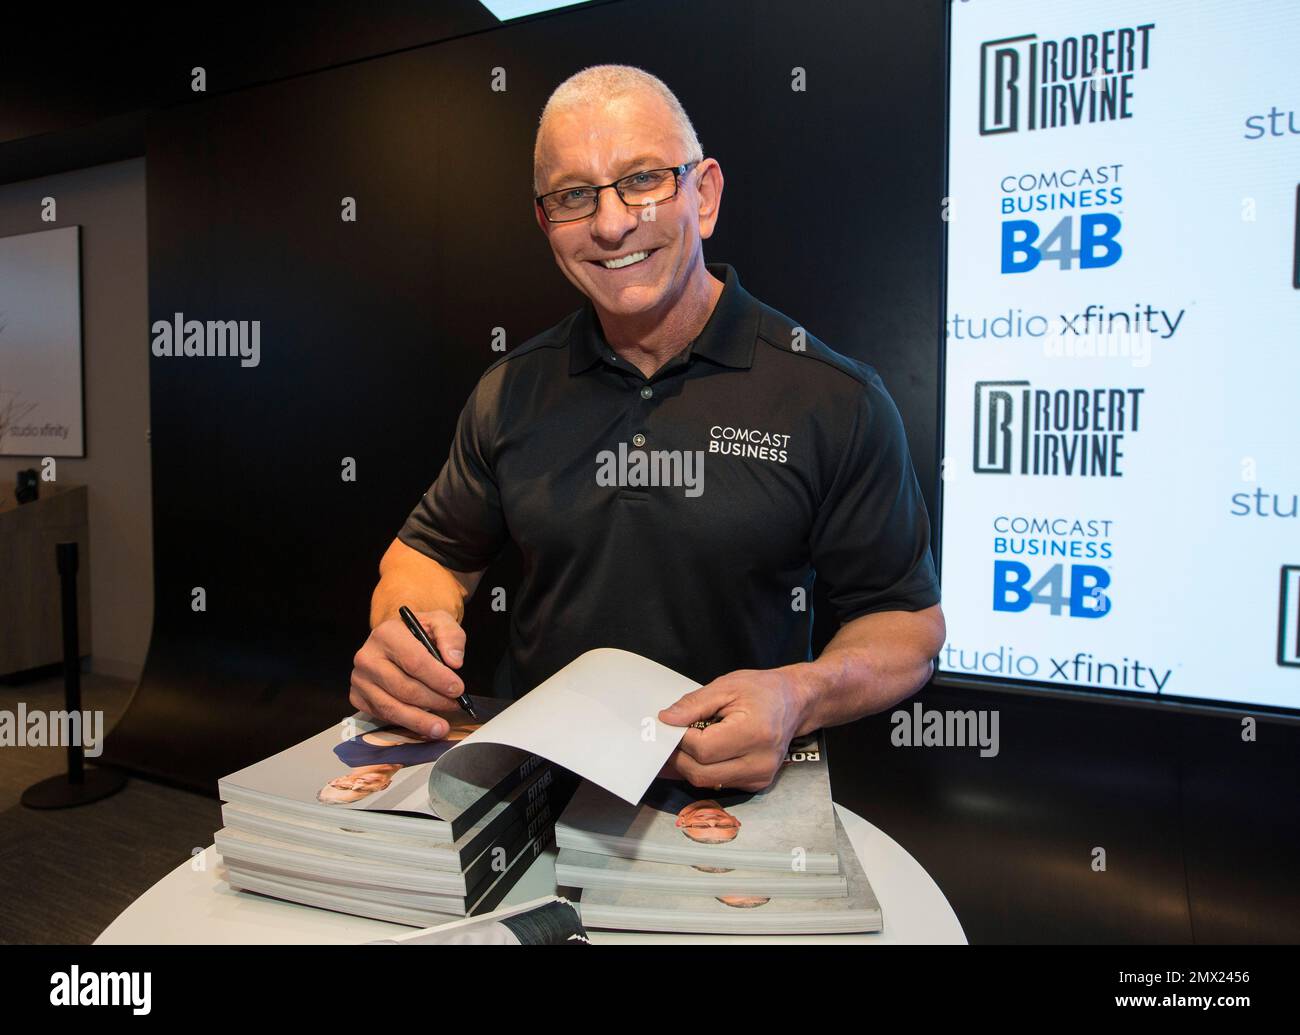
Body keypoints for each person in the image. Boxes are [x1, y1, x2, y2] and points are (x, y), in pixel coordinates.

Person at [350, 64, 945, 794]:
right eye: (575, 195)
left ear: (704, 195)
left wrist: (800, 696)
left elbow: (906, 625)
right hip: (535, 796)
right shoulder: (509, 392)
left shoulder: (833, 398)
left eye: (643, 180)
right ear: (546, 223)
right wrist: (407, 634)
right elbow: (429, 557)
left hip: (726, 809)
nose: (610, 223)